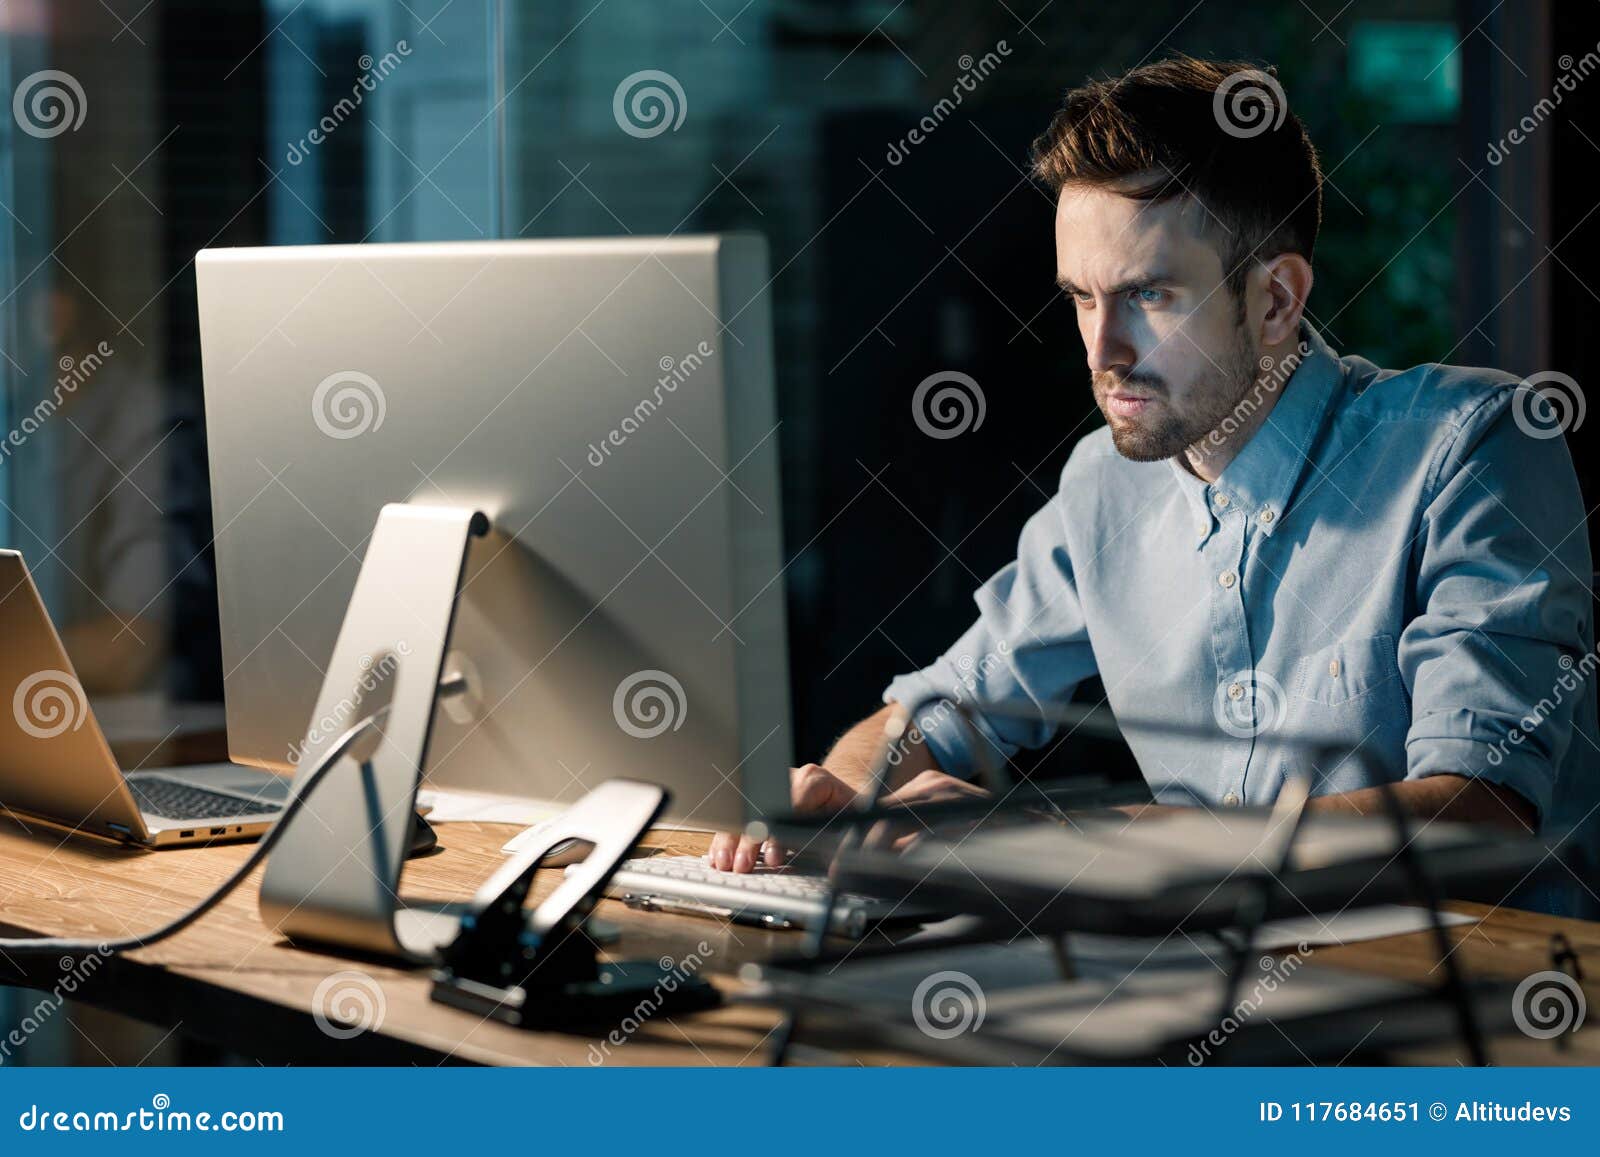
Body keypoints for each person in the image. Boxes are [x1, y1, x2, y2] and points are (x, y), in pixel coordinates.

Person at [710, 57, 1598, 917]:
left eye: (1149, 296)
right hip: (1207, 1002)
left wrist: (1082, 843)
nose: (1102, 353)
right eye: (1082, 299)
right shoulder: (1105, 483)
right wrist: (845, 793)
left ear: (1278, 300)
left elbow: (1478, 814)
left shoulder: (1473, 445)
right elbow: (939, 708)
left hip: (1473, 1018)